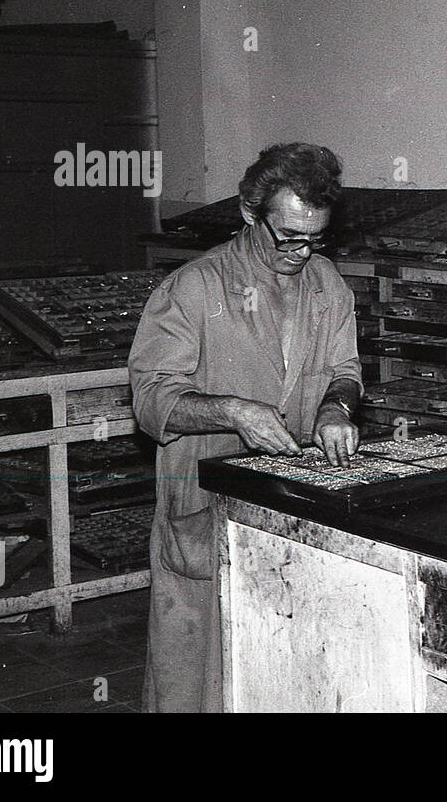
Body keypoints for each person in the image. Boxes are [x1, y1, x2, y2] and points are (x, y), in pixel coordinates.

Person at [128, 142, 362, 712]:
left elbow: (345, 370)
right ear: (249, 214)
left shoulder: (326, 284)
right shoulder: (194, 288)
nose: (302, 252)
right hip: (205, 505)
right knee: (196, 672)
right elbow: (152, 399)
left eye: (316, 238)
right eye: (288, 237)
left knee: (283, 658)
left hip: (289, 501)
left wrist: (337, 408)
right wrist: (232, 411)